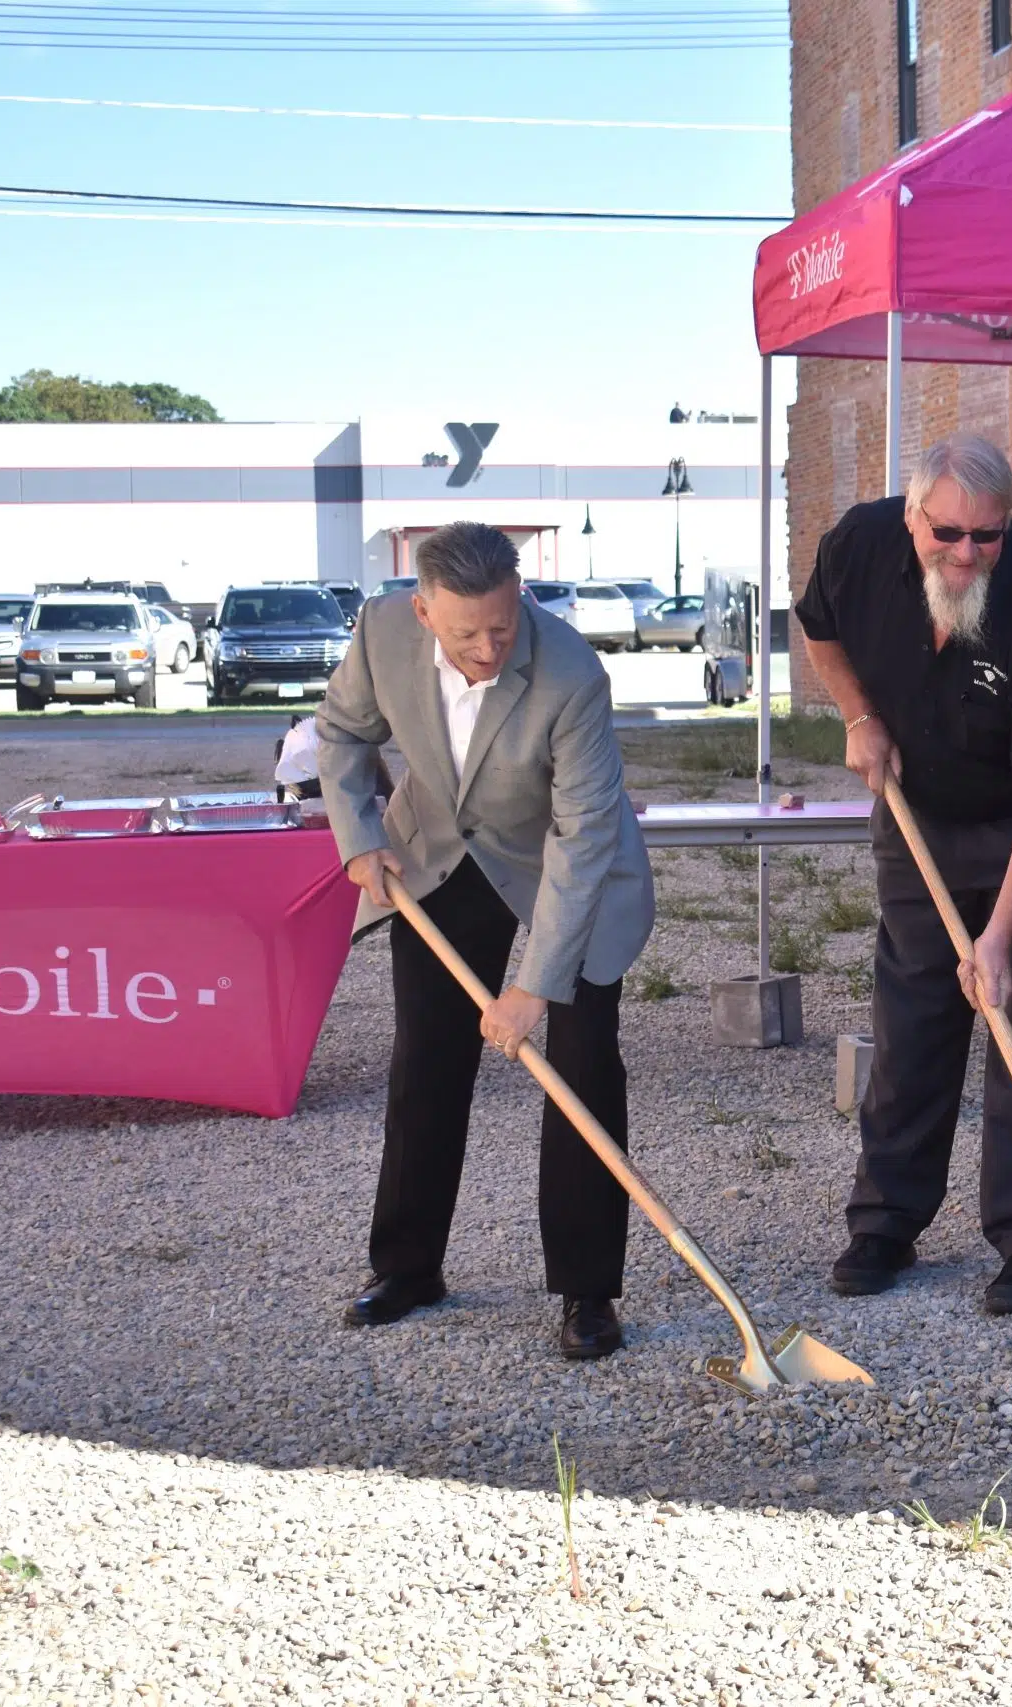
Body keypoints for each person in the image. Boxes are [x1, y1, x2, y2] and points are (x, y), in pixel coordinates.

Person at [795, 432, 1012, 1316]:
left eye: (988, 535)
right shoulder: (861, 548)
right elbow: (817, 626)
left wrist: (999, 936)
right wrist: (859, 715)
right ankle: (886, 1220)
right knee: (912, 1019)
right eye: (949, 534)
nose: (967, 553)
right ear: (912, 517)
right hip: (922, 813)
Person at [319, 521, 656, 1357]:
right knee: (426, 1058)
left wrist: (532, 987)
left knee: (581, 1065)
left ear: (520, 597)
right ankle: (408, 1265)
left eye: (503, 626)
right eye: (467, 631)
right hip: (440, 854)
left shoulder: (573, 673)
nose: (488, 645)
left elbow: (581, 840)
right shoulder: (381, 632)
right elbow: (341, 736)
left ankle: (587, 1290)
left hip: (565, 866)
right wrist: (360, 837)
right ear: (423, 610)